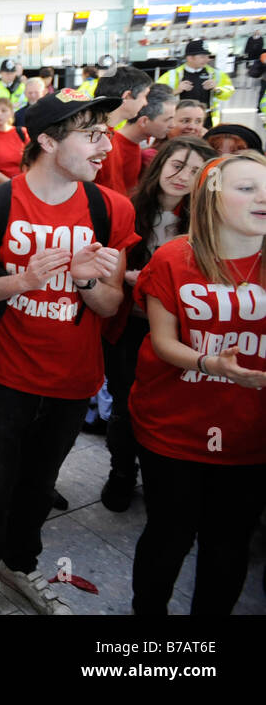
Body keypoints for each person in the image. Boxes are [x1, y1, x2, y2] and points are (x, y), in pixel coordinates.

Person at [0, 89, 140, 616]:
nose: (106, 145)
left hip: (73, 380)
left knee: (38, 486)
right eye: (91, 134)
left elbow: (110, 303)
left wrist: (82, 283)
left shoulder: (110, 208)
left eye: (106, 132)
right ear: (50, 140)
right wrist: (23, 281)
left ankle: (21, 564)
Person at [128, 151, 266, 614]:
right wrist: (213, 364)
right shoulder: (173, 257)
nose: (262, 198)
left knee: (228, 544)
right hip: (173, 427)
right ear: (212, 197)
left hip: (251, 436)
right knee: (168, 535)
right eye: (247, 188)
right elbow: (163, 341)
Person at [100, 136, 217, 514]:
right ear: (161, 163)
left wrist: (152, 281)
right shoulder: (127, 208)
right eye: (177, 165)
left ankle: (161, 476)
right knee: (123, 406)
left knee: (169, 407)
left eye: (196, 171)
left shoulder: (206, 220)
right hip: (128, 326)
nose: (183, 176)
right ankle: (121, 472)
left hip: (180, 332)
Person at [96, 85, 175, 196]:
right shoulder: (108, 146)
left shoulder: (134, 145)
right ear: (144, 121)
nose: (172, 125)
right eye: (168, 120)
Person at [156, 39, 233, 127]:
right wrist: (177, 90)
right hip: (181, 120)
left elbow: (229, 91)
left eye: (207, 56)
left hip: (207, 119)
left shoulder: (216, 74)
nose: (207, 59)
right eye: (202, 56)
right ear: (190, 58)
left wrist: (217, 89)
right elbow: (156, 95)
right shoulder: (172, 75)